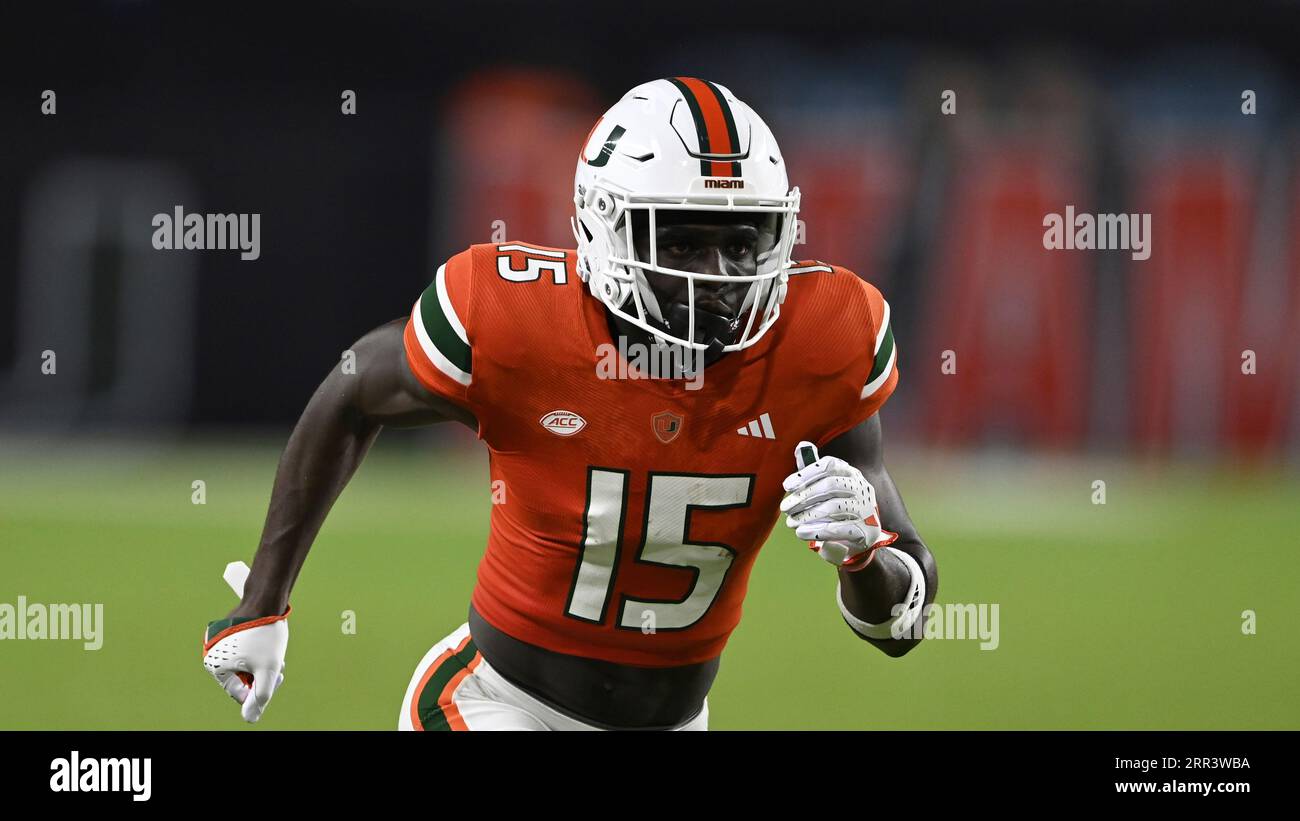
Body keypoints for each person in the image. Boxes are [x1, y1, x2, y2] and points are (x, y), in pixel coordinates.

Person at [201, 77, 938, 731]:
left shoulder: (822, 339)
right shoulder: (519, 321)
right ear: (605, 227)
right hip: (498, 702)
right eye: (681, 241)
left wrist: (864, 556)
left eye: (742, 242)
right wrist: (263, 598)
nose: (718, 275)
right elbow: (356, 386)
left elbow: (902, 623)